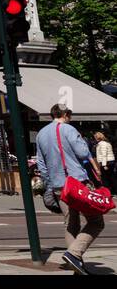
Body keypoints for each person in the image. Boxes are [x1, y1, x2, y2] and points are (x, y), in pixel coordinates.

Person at [36, 104, 105, 274]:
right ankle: (74, 254)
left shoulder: (41, 134)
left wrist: (51, 183)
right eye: (70, 115)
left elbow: (41, 164)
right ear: (66, 114)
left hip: (58, 185)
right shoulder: (69, 129)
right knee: (96, 221)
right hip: (77, 183)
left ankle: (76, 265)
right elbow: (82, 153)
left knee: (70, 223)